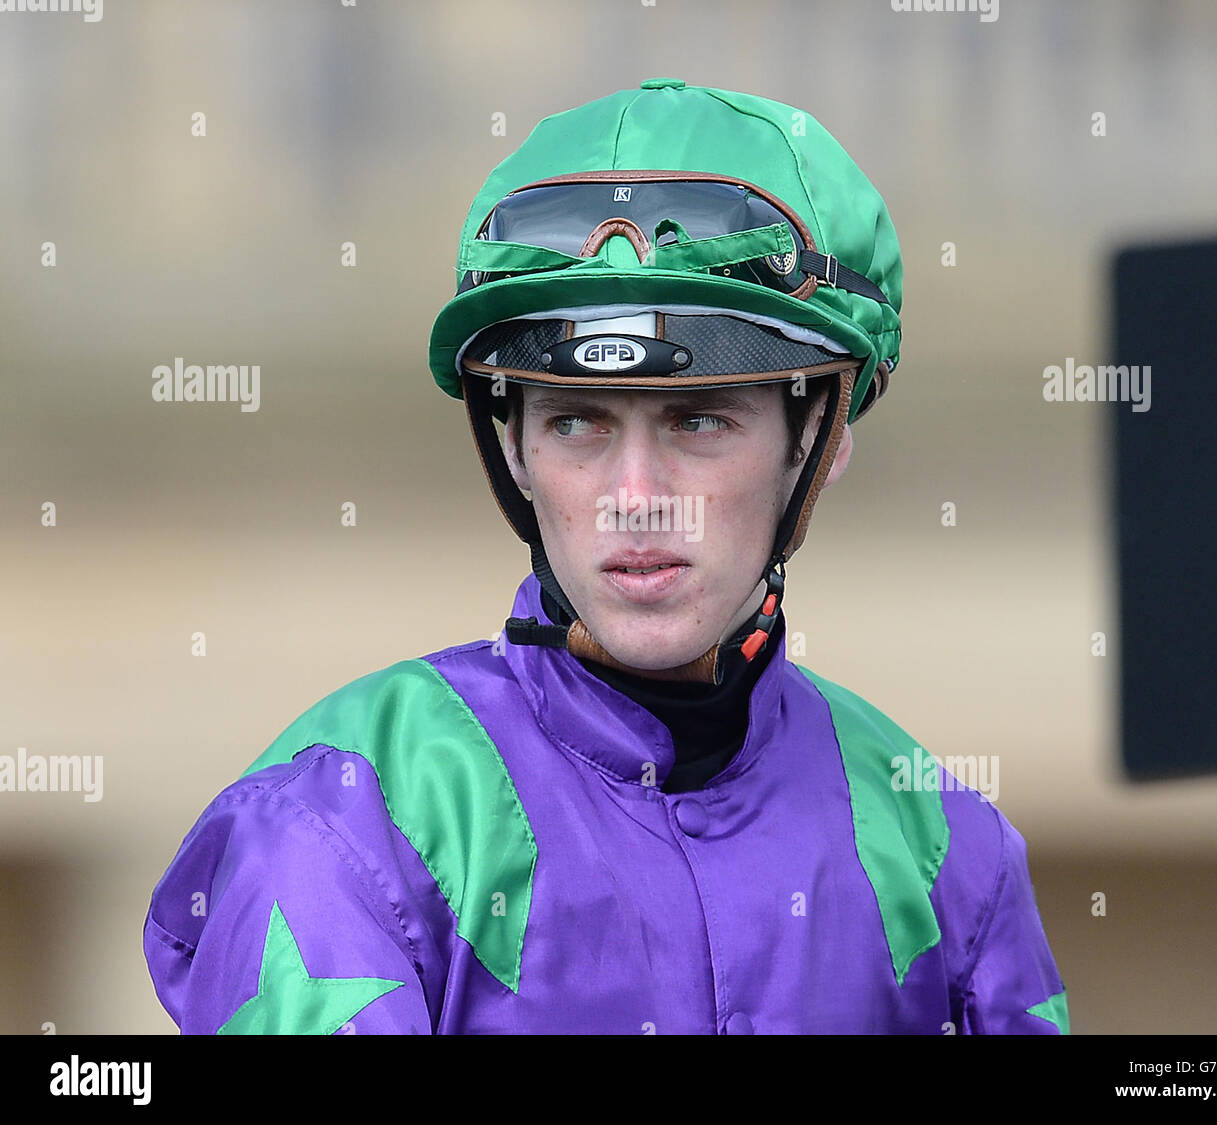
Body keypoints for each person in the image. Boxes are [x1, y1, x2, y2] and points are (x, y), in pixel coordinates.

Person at [143, 77, 1068, 1035]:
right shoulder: (341, 817)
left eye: (700, 419)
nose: (636, 494)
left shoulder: (947, 850)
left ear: (822, 439)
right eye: (576, 420)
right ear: (513, 450)